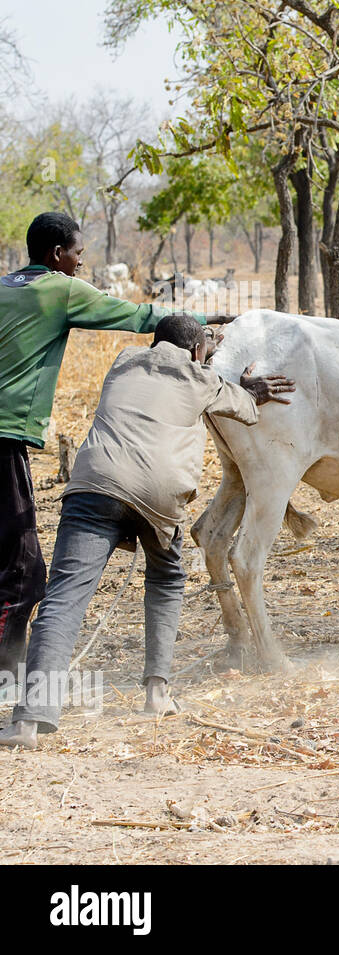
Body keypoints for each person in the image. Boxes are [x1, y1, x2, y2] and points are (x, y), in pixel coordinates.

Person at [0, 314, 294, 747]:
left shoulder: (123, 360)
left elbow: (175, 360)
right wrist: (246, 386)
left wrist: (202, 347)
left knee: (62, 601)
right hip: (159, 497)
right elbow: (246, 408)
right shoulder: (203, 380)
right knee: (166, 579)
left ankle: (28, 721)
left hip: (93, 486)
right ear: (198, 353)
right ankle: (157, 694)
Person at [0, 213, 237, 698]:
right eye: (77, 255)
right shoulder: (59, 290)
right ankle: (8, 683)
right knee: (23, 575)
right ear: (55, 256)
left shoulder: (5, 285)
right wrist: (200, 323)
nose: (81, 263)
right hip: (5, 439)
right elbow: (131, 315)